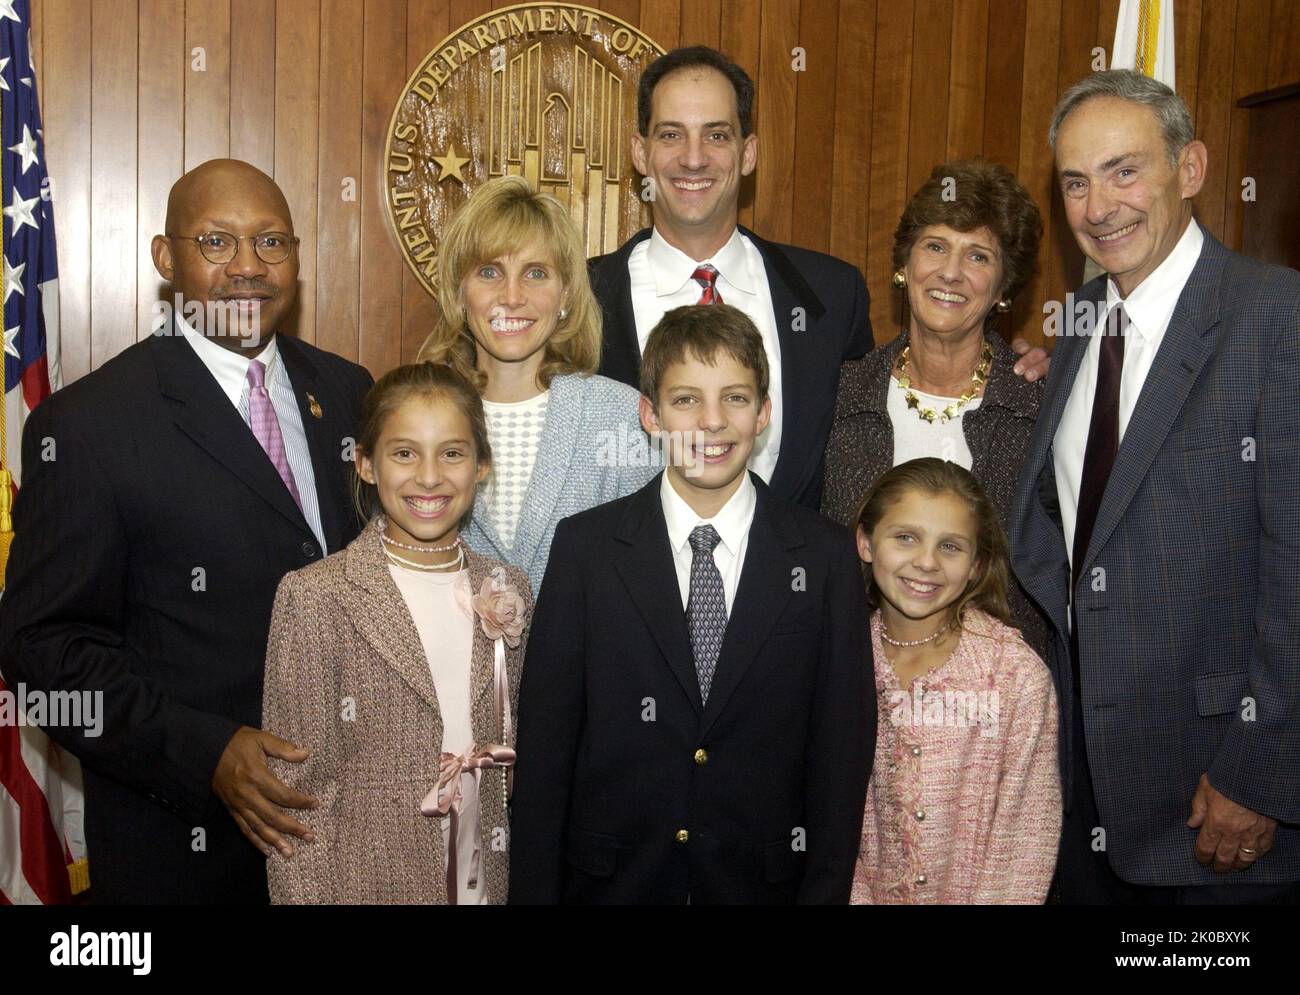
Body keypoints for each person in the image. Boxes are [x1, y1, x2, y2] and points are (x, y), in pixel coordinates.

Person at [0, 159, 374, 903]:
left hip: (350, 832)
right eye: (216, 241)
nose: (248, 267)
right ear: (166, 259)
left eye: (272, 242)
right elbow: (42, 651)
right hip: (181, 852)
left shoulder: (350, 391)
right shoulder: (89, 426)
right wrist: (205, 753)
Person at [1010, 69, 1300, 903]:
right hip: (1081, 802)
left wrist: (1262, 772)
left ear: (1193, 169)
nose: (1098, 206)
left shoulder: (1275, 318)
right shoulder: (1078, 330)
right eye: (1075, 181)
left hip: (1217, 808)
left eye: (1124, 170)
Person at [508, 304, 873, 904]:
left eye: (734, 398)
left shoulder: (825, 556)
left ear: (764, 412)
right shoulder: (587, 549)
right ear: (650, 414)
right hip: (611, 886)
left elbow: (841, 753)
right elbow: (548, 749)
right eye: (685, 401)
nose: (712, 422)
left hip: (762, 886)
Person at [590, 46, 1051, 510]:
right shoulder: (580, 301)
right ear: (640, 152)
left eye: (717, 135)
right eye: (671, 135)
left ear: (748, 153)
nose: (694, 159)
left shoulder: (831, 297)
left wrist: (1037, 371)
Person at [263, 362, 531, 904]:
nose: (429, 477)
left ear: (481, 465)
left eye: (452, 453)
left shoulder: (508, 586)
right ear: (365, 464)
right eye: (404, 453)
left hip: (485, 880)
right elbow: (299, 797)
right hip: (371, 885)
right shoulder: (318, 596)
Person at [822, 159, 1051, 659]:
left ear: (1004, 288)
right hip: (853, 682)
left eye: (978, 257)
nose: (951, 272)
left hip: (997, 705)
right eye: (935, 246)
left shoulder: (1040, 408)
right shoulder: (839, 396)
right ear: (904, 265)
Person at [419, 175, 656, 596]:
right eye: (489, 271)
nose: (512, 297)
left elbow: (653, 578)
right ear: (459, 292)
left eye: (536, 273)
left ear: (566, 293)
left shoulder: (622, 415)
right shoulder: (418, 415)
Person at [850, 459, 1059, 904]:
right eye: (905, 537)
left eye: (950, 547)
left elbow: (1026, 842)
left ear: (976, 565)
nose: (925, 562)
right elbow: (826, 824)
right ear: (866, 542)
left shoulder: (1013, 676)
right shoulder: (837, 663)